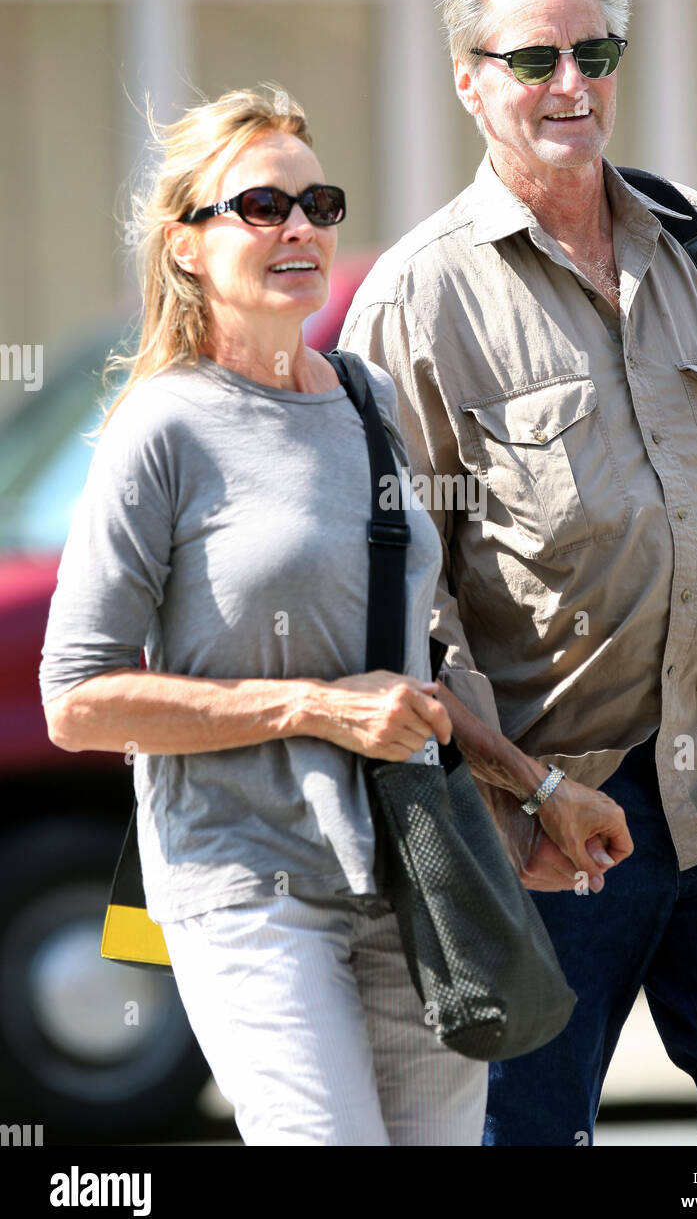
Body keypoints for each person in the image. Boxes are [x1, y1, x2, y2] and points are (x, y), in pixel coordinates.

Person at [339, 0, 697, 1146]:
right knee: (524, 1140)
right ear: (468, 80)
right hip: (542, 820)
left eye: (594, 50)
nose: (569, 83)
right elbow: (408, 613)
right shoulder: (415, 301)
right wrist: (523, 793)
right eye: (533, 59)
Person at [38, 84, 497, 1146]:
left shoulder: (368, 399)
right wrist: (314, 707)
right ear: (187, 245)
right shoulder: (162, 428)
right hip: (246, 878)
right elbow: (78, 700)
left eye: (317, 202)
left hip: (409, 869)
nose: (299, 227)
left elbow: (405, 660)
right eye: (260, 206)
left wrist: (538, 786)